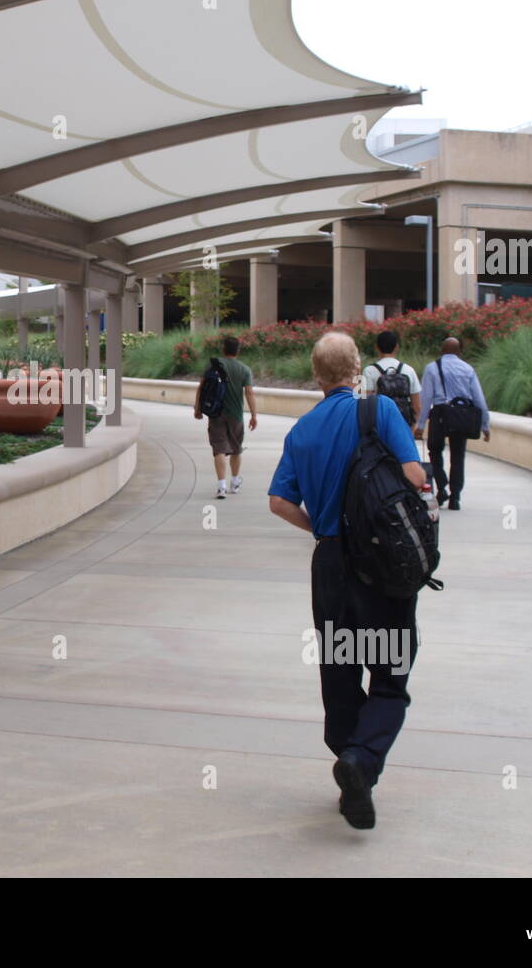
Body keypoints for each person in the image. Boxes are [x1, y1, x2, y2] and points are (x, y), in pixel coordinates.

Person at [268, 332, 427, 830]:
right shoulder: (378, 412)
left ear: (315, 374)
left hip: (332, 565)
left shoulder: (302, 431)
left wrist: (322, 526)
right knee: (389, 677)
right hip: (380, 566)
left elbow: (278, 502)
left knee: (340, 672)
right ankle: (360, 759)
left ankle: (350, 758)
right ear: (357, 368)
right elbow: (415, 476)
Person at [415, 337, 490, 511]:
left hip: (440, 413)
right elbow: (479, 399)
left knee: (434, 451)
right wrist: (485, 426)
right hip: (461, 414)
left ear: (442, 350)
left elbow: (426, 398)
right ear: (459, 351)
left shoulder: (432, 368)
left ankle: (442, 487)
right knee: (458, 456)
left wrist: (420, 425)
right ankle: (455, 497)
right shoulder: (468, 369)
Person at [193, 335, 257, 499]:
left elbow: (201, 387)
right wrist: (253, 415)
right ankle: (234, 483)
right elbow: (249, 392)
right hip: (236, 415)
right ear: (238, 350)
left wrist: (198, 407)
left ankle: (221, 486)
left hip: (215, 413)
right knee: (236, 449)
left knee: (219, 449)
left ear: (223, 349)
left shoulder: (213, 365)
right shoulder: (244, 369)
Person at [362, 329, 421, 429]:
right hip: (403, 424)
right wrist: (412, 428)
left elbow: (364, 402)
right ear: (397, 347)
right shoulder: (409, 370)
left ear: (376, 347)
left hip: (379, 425)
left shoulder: (368, 371)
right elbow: (417, 405)